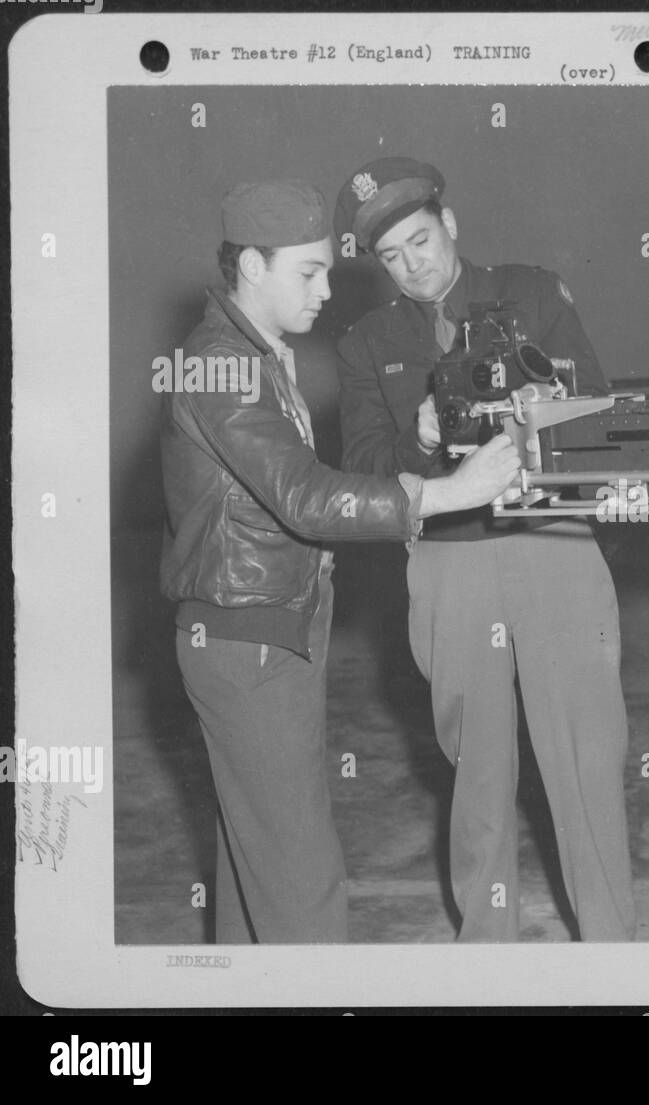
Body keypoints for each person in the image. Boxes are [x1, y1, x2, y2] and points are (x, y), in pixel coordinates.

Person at [159, 179, 520, 943]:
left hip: (267, 633)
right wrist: (450, 491)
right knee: (302, 891)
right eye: (308, 272)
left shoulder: (253, 353)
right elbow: (306, 498)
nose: (327, 290)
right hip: (249, 639)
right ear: (251, 266)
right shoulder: (218, 365)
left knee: (254, 868)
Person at [333, 157, 636, 942]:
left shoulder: (533, 292)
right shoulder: (368, 342)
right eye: (392, 256)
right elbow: (365, 476)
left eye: (421, 240)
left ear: (451, 223)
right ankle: (487, 952)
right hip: (449, 558)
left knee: (586, 750)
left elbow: (600, 413)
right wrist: (420, 433)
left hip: (553, 541)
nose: (413, 264)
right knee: (478, 762)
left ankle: (613, 948)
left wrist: (537, 411)